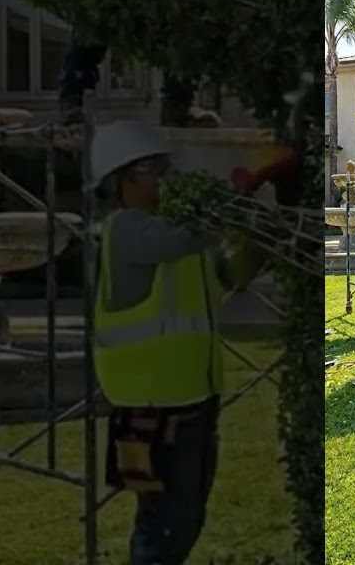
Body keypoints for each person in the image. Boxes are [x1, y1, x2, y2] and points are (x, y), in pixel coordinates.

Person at [90, 120, 273, 565]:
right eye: (157, 170)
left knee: (181, 518)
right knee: (165, 525)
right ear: (123, 179)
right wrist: (240, 189)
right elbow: (189, 236)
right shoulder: (128, 230)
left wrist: (261, 239)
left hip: (190, 400)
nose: (168, 179)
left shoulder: (171, 239)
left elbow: (230, 275)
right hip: (154, 406)